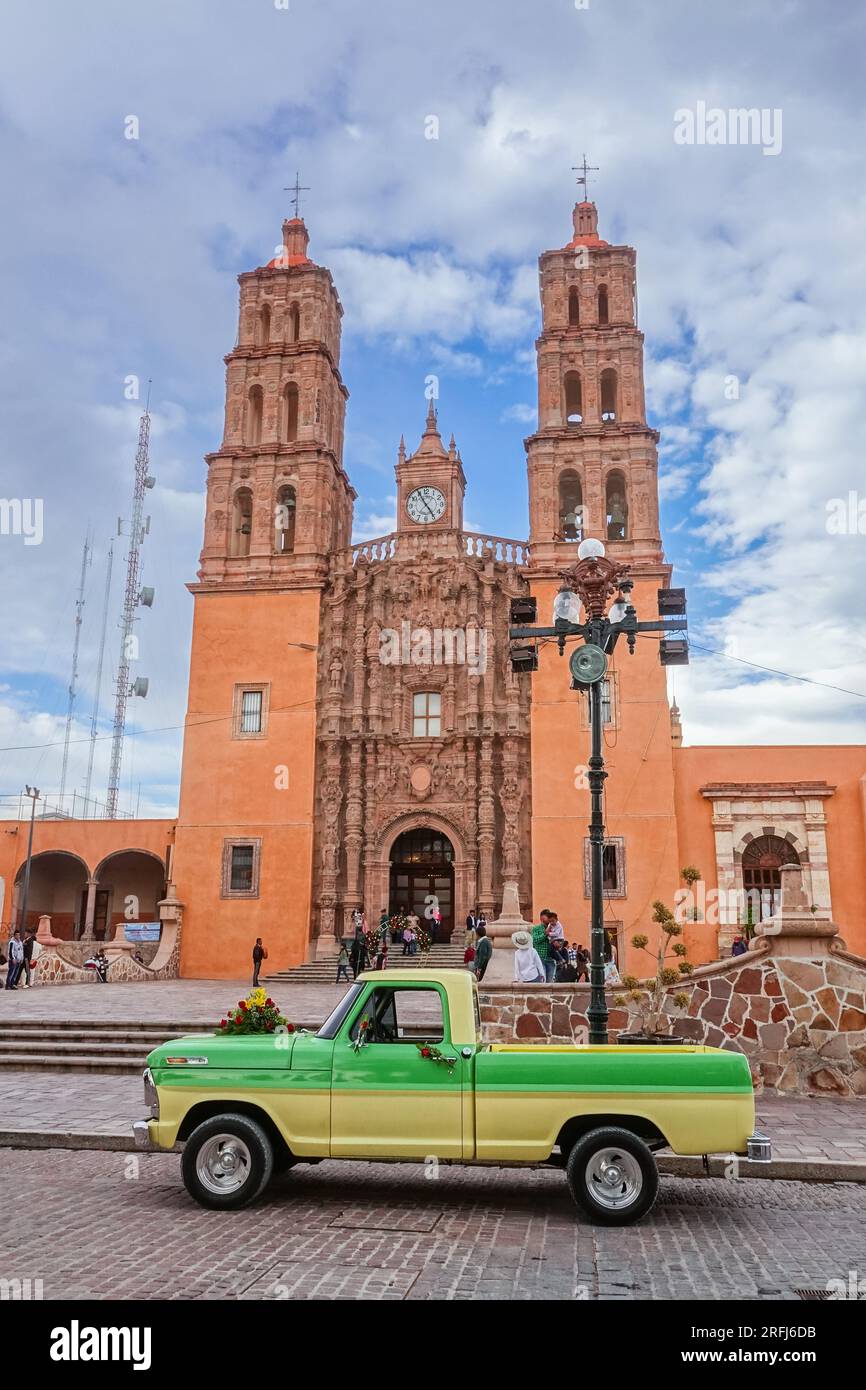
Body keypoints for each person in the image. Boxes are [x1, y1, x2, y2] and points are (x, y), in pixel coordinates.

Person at [532, 911, 554, 983]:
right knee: (542, 982)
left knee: (550, 983)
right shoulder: (536, 928)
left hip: (551, 959)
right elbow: (535, 940)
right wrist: (545, 934)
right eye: (547, 916)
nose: (549, 918)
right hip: (540, 958)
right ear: (541, 917)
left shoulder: (553, 927)